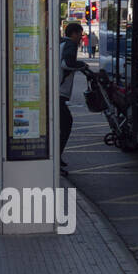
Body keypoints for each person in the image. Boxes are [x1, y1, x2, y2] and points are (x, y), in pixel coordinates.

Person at [59, 21, 84, 172]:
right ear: (74, 34)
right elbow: (66, 64)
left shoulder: (62, 43)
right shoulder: (71, 45)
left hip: (57, 90)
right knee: (66, 123)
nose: (81, 37)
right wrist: (82, 65)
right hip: (59, 91)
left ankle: (56, 156)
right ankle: (56, 156)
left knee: (62, 124)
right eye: (80, 34)